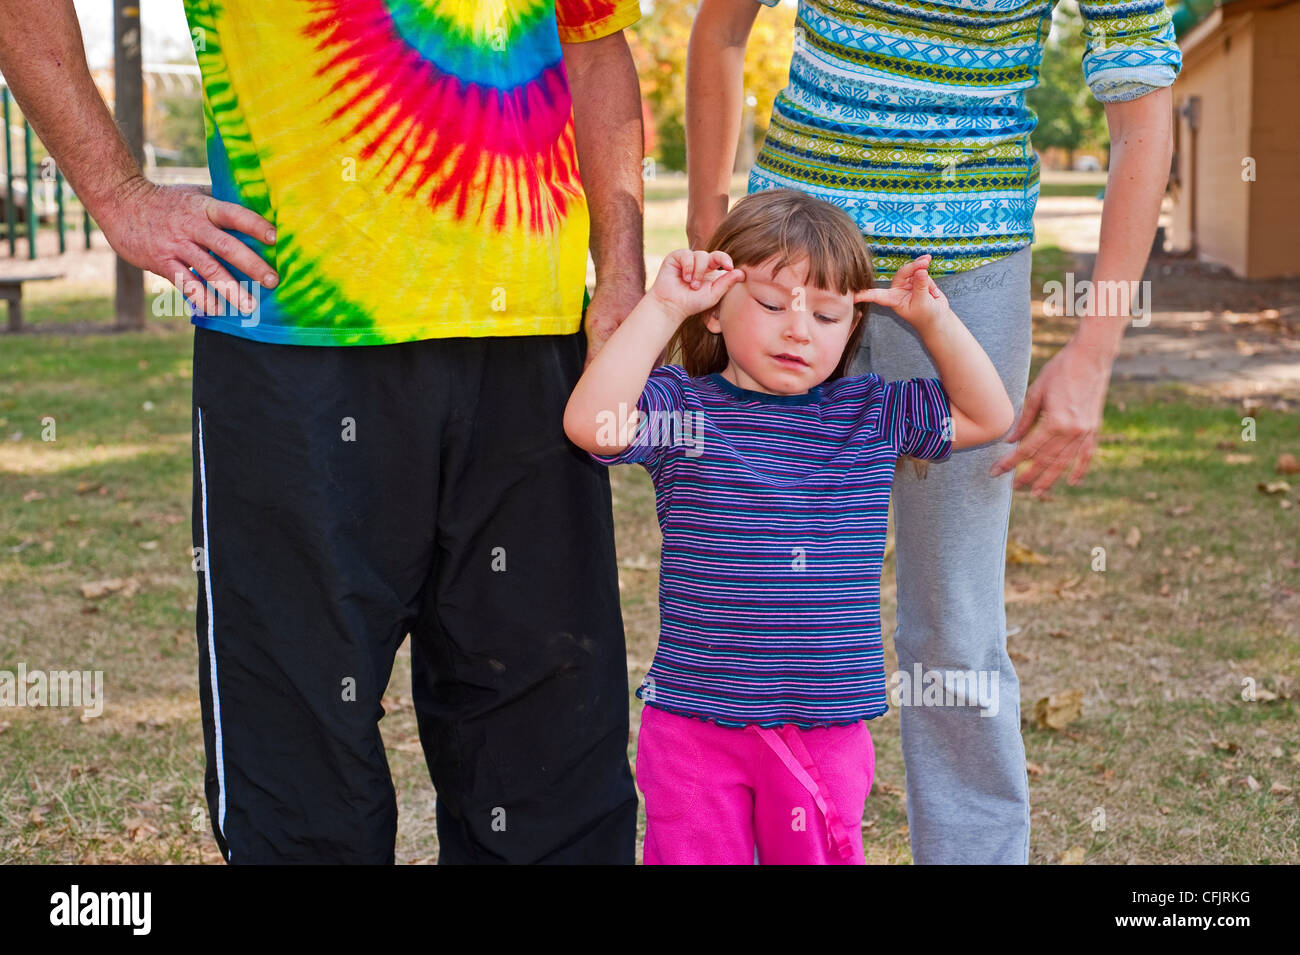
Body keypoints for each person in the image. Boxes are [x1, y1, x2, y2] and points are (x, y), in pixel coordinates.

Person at [0, 0, 648, 863]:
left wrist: (623, 271)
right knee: (299, 765)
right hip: (294, 340)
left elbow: (595, 42)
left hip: (531, 337)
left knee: (553, 769)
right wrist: (116, 194)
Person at [686, 0, 1182, 863]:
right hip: (791, 263)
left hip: (968, 277)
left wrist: (1095, 349)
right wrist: (711, 234)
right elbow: (722, 26)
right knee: (761, 583)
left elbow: (1141, 119)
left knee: (953, 615)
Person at [565, 188, 1014, 863]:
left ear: (851, 331)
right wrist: (661, 308)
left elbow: (990, 416)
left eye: (828, 315)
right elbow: (589, 424)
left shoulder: (870, 414)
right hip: (692, 722)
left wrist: (934, 322)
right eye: (773, 305)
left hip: (822, 730)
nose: (799, 329)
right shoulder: (684, 410)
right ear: (715, 310)